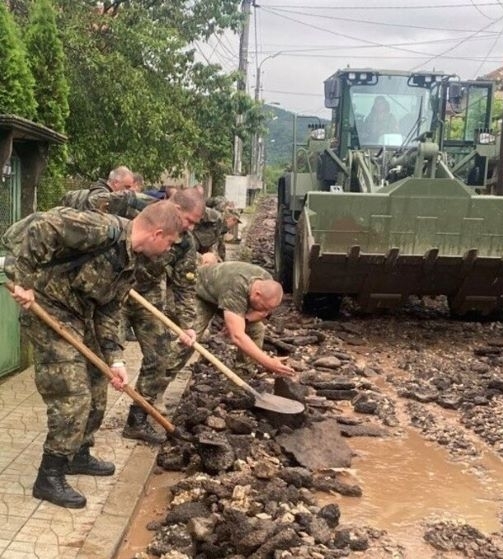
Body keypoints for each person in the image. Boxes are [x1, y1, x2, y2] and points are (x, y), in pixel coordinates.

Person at [1, 202, 182, 509]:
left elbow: (110, 308)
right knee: (72, 392)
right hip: (47, 306)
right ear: (158, 233)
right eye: (170, 243)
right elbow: (43, 226)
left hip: (79, 314)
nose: (168, 250)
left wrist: (116, 359)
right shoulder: (101, 229)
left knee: (98, 381)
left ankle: (79, 453)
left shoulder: (131, 260)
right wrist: (24, 282)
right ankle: (49, 476)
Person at [120, 189, 205, 443]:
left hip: (147, 298)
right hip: (112, 293)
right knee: (106, 358)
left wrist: (187, 326)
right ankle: (81, 440)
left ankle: (138, 420)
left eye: (194, 224)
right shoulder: (136, 209)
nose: (189, 227)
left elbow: (184, 285)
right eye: (188, 220)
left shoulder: (186, 243)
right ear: (174, 207)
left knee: (160, 357)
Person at [165, 261, 295, 381]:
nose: (266, 313)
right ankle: (156, 385)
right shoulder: (236, 287)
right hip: (201, 293)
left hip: (226, 297)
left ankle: (241, 380)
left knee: (256, 330)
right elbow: (237, 337)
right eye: (264, 308)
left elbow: (262, 312)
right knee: (189, 339)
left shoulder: (267, 283)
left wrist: (241, 320)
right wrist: (268, 362)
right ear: (257, 294)